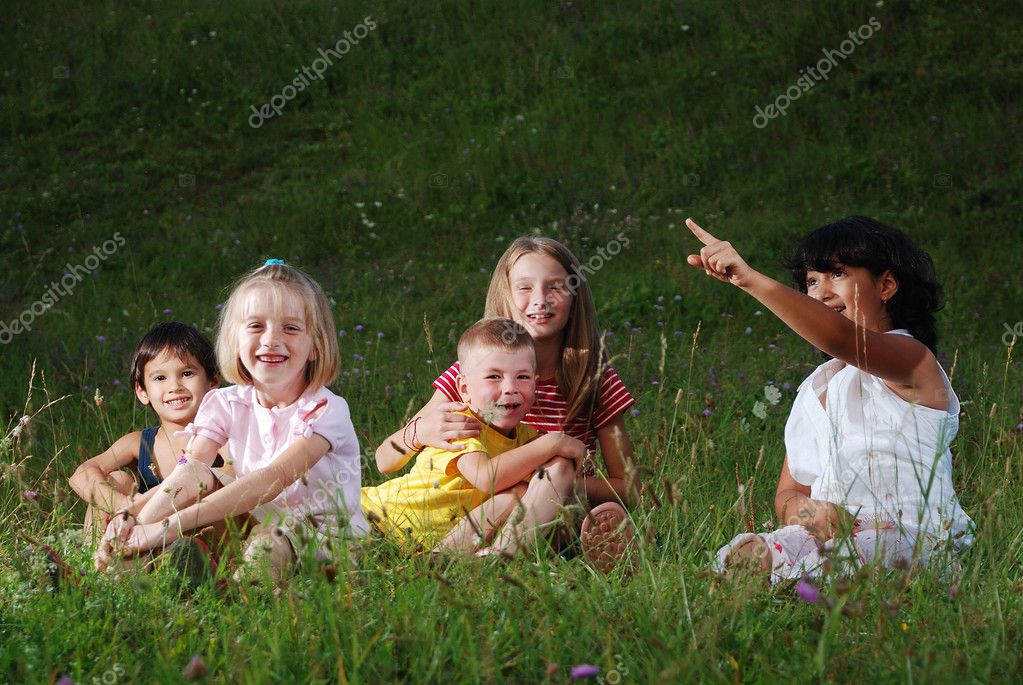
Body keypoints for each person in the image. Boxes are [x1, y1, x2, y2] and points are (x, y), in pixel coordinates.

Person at [689, 216, 974, 582]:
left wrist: (750, 280)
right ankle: (638, 561)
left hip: (911, 534)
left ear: (886, 284)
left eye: (837, 274)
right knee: (749, 552)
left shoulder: (914, 361)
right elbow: (789, 492)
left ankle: (808, 582)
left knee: (868, 557)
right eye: (811, 281)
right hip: (827, 536)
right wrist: (809, 514)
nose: (821, 292)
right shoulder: (815, 390)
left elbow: (840, 338)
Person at [93, 260, 368, 584]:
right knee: (203, 480)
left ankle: (238, 594)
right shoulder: (226, 402)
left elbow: (272, 478)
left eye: (290, 328)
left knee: (277, 535)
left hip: (328, 544)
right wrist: (135, 517)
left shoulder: (325, 409)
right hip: (259, 525)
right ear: (235, 340)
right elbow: (191, 472)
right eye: (256, 327)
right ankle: (114, 576)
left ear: (315, 346)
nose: (270, 340)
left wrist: (166, 528)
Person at [373, 237, 638, 571]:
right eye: (524, 288)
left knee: (559, 473)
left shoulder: (595, 379)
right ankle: (484, 558)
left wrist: (556, 484)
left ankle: (561, 544)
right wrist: (417, 432)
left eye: (556, 286)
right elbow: (384, 459)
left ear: (575, 297)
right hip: (474, 512)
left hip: (553, 508)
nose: (540, 300)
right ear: (505, 296)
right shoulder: (475, 375)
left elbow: (630, 488)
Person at [361, 317, 586, 554]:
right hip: (375, 521)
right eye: (494, 377)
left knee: (518, 493)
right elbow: (485, 477)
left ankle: (469, 557)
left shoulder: (526, 438)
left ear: (535, 384)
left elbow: (540, 491)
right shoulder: (460, 425)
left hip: (421, 542)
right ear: (465, 389)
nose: (510, 387)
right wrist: (553, 442)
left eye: (522, 377)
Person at [69, 322, 221, 544]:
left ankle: (199, 565)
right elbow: (81, 474)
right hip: (140, 540)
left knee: (211, 485)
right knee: (117, 479)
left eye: (187, 373)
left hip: (204, 539)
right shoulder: (139, 443)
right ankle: (96, 561)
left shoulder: (224, 440)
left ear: (213, 381)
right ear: (142, 391)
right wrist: (124, 506)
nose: (174, 386)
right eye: (160, 378)